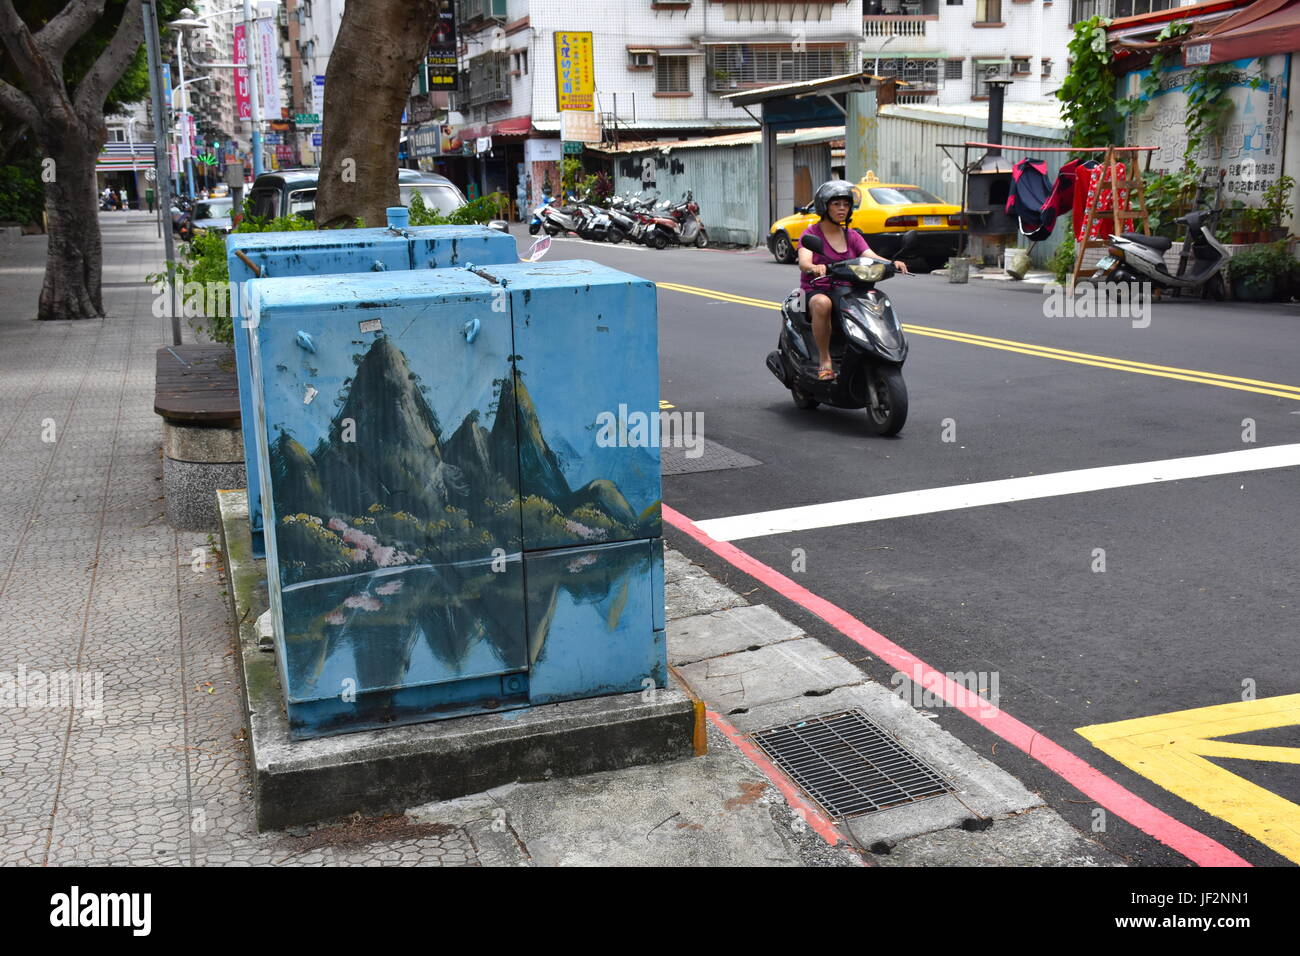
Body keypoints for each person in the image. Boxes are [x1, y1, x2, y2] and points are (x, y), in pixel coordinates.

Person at [798, 180, 908, 380]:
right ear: (824, 206)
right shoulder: (811, 233)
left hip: (847, 289)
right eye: (836, 204)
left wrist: (892, 263)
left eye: (846, 204)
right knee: (822, 304)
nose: (842, 208)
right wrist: (814, 267)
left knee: (873, 302)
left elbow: (869, 255)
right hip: (818, 288)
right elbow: (804, 261)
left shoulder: (852, 235)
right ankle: (825, 359)